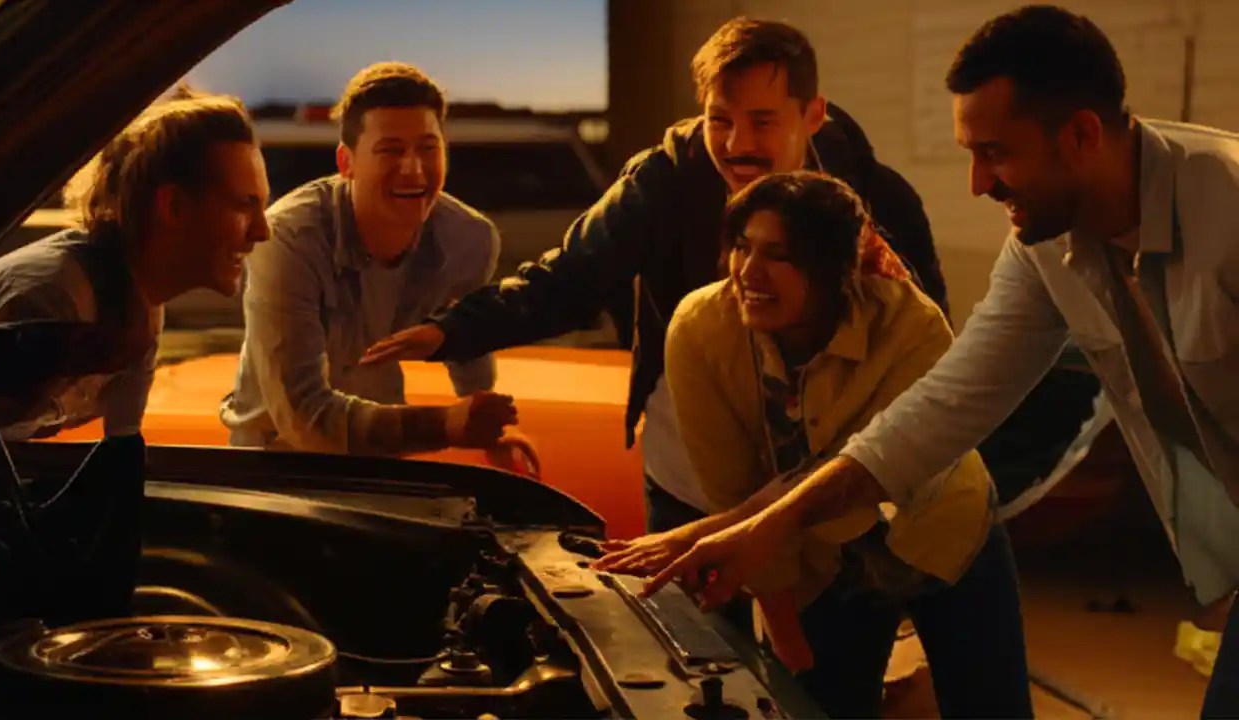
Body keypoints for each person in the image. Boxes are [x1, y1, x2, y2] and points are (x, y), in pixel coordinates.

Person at [644, 6, 1239, 717]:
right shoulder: (1044, 250)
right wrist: (757, 529)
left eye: (996, 153)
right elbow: (936, 414)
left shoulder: (1228, 208)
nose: (978, 184)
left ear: (1081, 135)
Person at [357, 18, 947, 530]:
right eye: (720, 120)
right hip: (687, 466)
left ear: (812, 116)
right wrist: (452, 329)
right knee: (696, 645)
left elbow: (925, 341)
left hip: (824, 471)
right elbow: (572, 275)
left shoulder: (875, 197)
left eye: (763, 122)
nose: (738, 144)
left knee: (819, 648)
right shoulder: (664, 182)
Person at [594, 171, 1029, 717]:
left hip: (940, 530)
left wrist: (701, 533)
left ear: (831, 269)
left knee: (993, 707)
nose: (749, 273)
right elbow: (735, 487)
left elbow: (864, 470)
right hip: (820, 560)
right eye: (742, 247)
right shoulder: (701, 328)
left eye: (780, 255)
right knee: (821, 709)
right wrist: (780, 617)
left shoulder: (911, 326)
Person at [219, 63, 526, 463]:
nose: (413, 169)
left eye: (428, 148)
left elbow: (468, 344)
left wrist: (491, 434)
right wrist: (446, 425)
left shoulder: (467, 239)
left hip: (380, 454)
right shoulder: (290, 238)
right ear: (346, 163)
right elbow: (301, 415)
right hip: (275, 460)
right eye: (391, 150)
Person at [0, 93, 268, 441]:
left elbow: (122, 444)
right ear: (174, 206)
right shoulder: (54, 298)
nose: (263, 231)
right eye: (245, 205)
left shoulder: (142, 300)